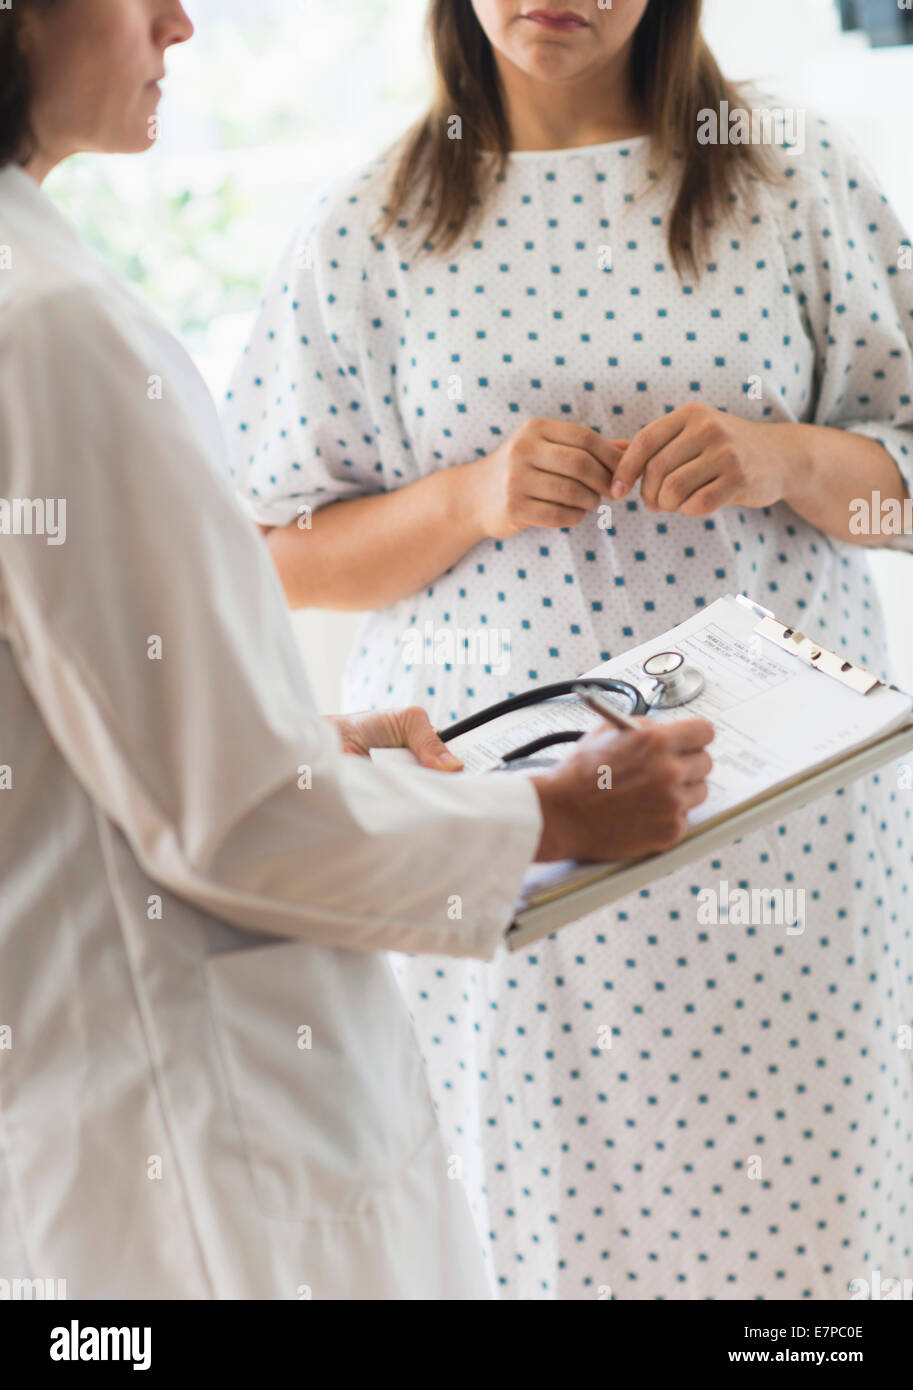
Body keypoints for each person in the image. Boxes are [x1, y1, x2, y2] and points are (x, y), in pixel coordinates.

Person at [0, 0, 713, 1300]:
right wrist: (547, 811)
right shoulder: (48, 327)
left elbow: (77, 735)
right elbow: (230, 815)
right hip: (194, 1127)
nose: (178, 22)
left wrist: (305, 743)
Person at [226, 0, 913, 1299]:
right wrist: (466, 498)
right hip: (508, 841)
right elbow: (267, 552)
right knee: (528, 1239)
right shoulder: (367, 223)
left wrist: (784, 456)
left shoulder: (795, 175)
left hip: (781, 844)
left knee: (802, 1256)